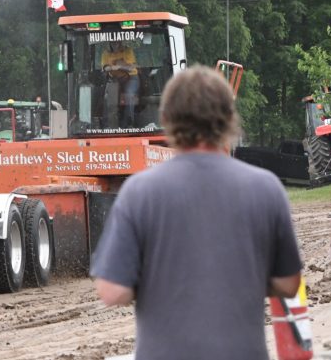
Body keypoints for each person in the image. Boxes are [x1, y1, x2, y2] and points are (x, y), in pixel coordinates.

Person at [91, 65, 302, 360]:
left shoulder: (139, 193)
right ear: (230, 118)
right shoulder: (266, 188)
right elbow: (289, 283)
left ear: (165, 119)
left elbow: (112, 291)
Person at [101, 40, 139, 126]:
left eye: (117, 42)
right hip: (114, 79)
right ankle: (109, 125)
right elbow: (105, 67)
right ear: (109, 43)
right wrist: (119, 66)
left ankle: (128, 123)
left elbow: (131, 68)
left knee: (129, 94)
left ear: (121, 41)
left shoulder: (128, 51)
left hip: (131, 78)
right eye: (113, 42)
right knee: (108, 98)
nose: (115, 44)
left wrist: (117, 66)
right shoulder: (106, 53)